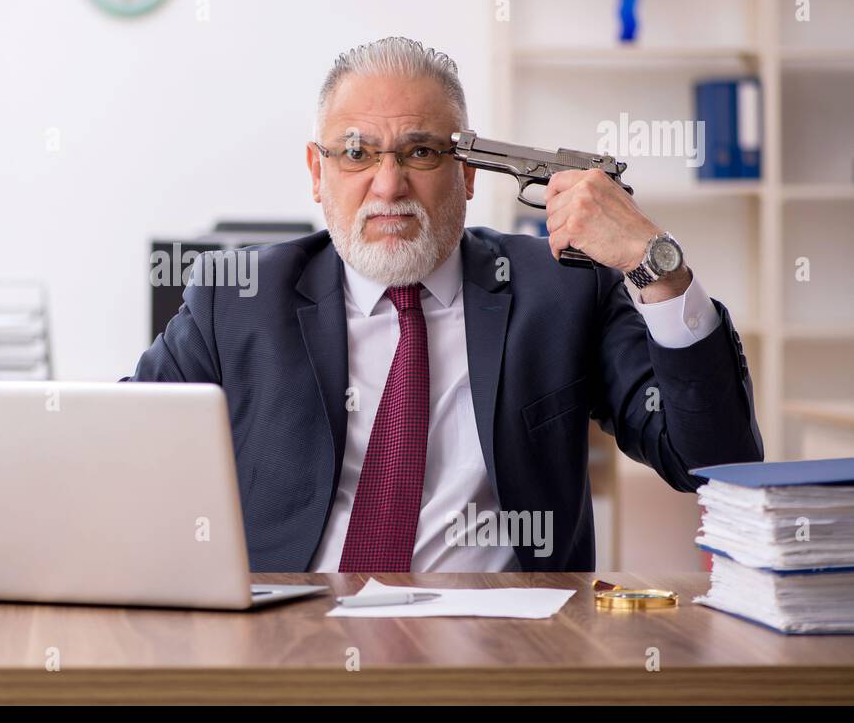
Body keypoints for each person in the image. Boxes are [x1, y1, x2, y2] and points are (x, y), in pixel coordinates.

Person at [129, 36, 763, 572]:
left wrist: (656, 264)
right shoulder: (235, 298)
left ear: (465, 175)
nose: (388, 184)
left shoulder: (564, 291)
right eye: (355, 153)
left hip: (508, 652)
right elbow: (125, 458)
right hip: (293, 643)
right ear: (317, 173)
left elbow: (713, 465)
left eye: (421, 152)